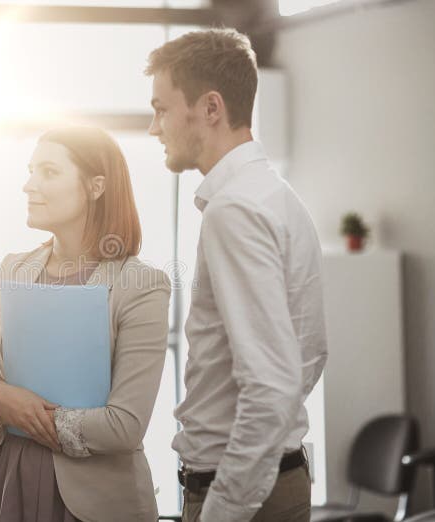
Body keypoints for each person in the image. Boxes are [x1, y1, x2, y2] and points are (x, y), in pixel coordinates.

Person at [0, 126, 171, 522]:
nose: (29, 185)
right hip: (12, 490)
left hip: (97, 505)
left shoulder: (141, 285)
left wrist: (22, 412)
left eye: (48, 172)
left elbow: (124, 426)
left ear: (96, 186)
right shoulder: (11, 271)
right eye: (30, 171)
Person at [145, 29, 328, 522]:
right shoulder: (276, 196)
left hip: (240, 493)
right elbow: (306, 356)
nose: (152, 128)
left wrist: (223, 508)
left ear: (210, 108)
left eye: (161, 109)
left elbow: (274, 383)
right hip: (271, 479)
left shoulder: (235, 210)